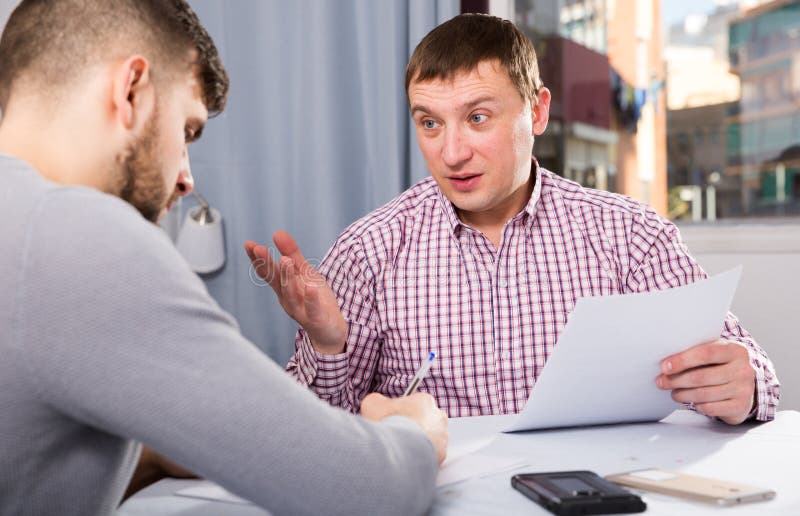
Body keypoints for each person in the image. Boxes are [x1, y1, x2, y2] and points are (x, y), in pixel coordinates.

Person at [0, 1, 448, 515]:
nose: (187, 178)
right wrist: (416, 431)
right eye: (186, 132)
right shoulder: (78, 236)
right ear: (131, 90)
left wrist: (151, 457)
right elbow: (370, 490)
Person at [246, 13, 779, 425]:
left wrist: (744, 385)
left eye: (478, 117)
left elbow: (750, 368)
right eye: (430, 123)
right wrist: (328, 345)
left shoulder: (630, 236)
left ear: (537, 112)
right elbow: (314, 436)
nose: (451, 153)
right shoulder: (367, 252)